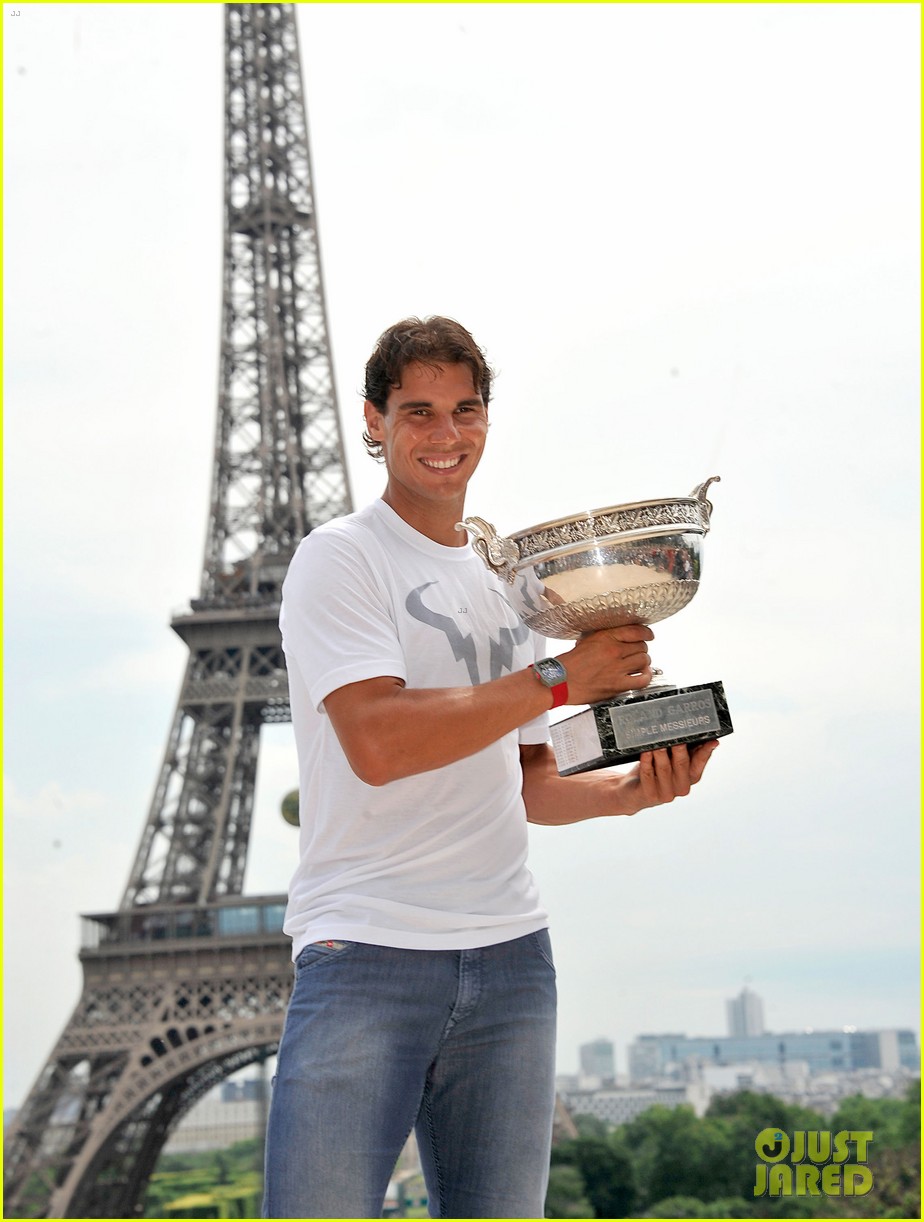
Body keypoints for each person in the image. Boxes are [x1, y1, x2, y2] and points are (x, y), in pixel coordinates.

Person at [262, 316, 718, 1219]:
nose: (446, 433)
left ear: (485, 419)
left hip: (511, 956)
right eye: (419, 412)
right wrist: (561, 678)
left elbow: (526, 781)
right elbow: (379, 743)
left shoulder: (511, 585)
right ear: (374, 421)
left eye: (465, 410)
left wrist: (631, 791)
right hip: (368, 949)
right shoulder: (340, 559)